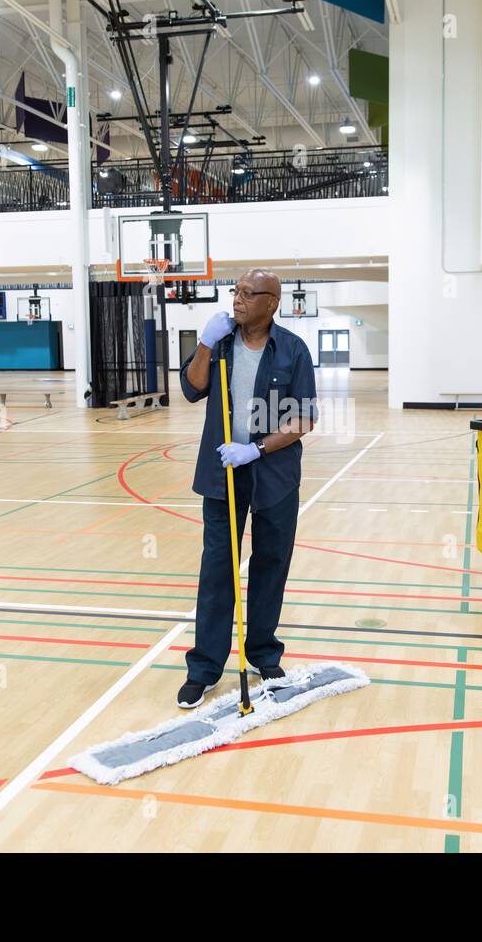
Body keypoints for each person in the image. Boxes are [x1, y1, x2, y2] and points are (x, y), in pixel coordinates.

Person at [176, 268, 318, 707]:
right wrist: (203, 341)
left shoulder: (292, 351)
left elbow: (303, 419)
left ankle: (262, 653)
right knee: (218, 568)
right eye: (234, 292)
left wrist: (255, 449)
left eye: (247, 293)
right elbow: (192, 388)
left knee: (271, 563)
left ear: (271, 302)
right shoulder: (218, 344)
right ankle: (203, 668)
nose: (237, 300)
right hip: (222, 475)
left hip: (273, 474)